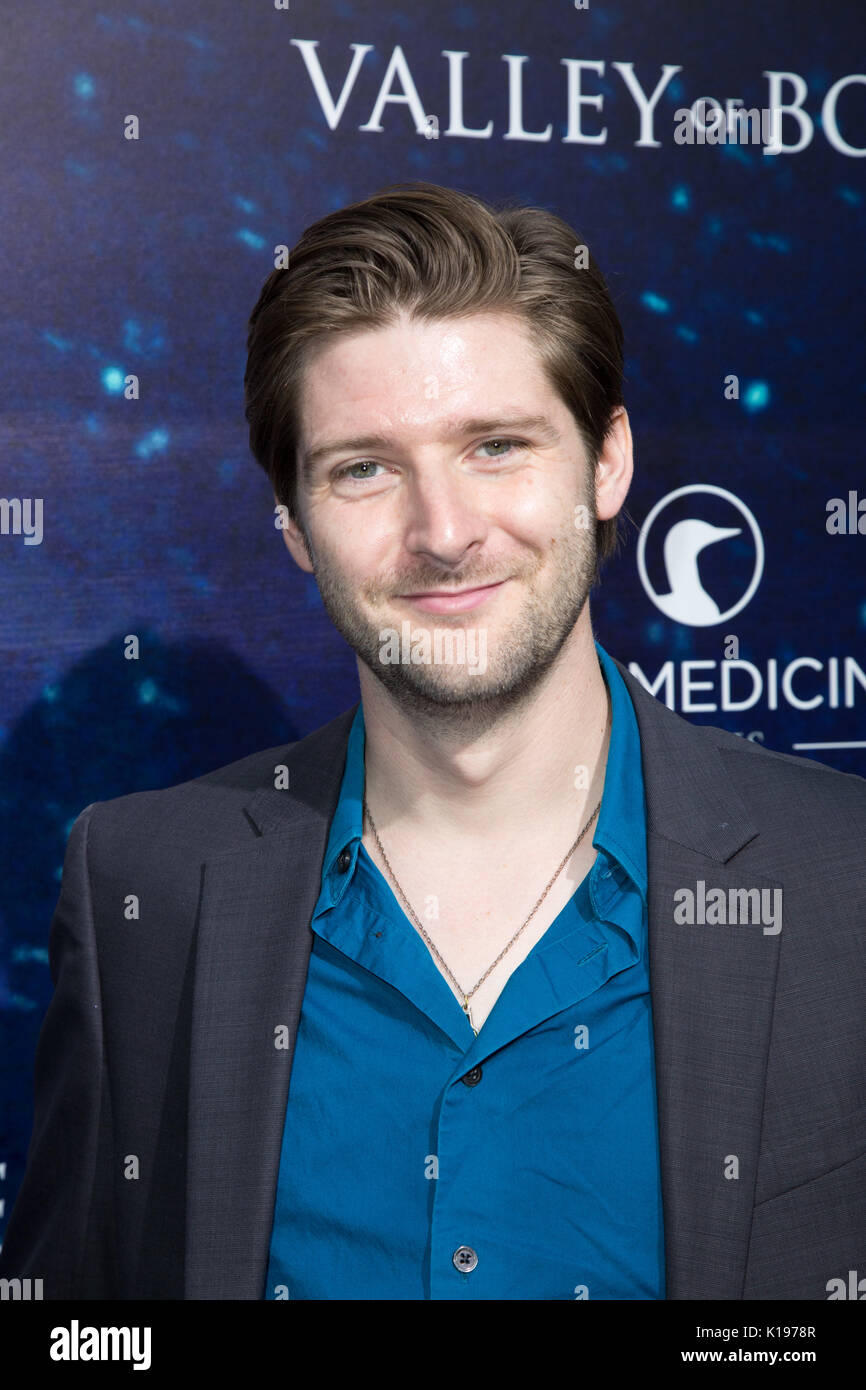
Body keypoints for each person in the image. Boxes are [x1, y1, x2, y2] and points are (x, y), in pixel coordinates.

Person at [1, 182, 864, 1301]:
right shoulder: (144, 891)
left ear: (606, 463)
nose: (443, 531)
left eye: (496, 446)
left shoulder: (841, 880)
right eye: (362, 467)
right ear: (295, 526)